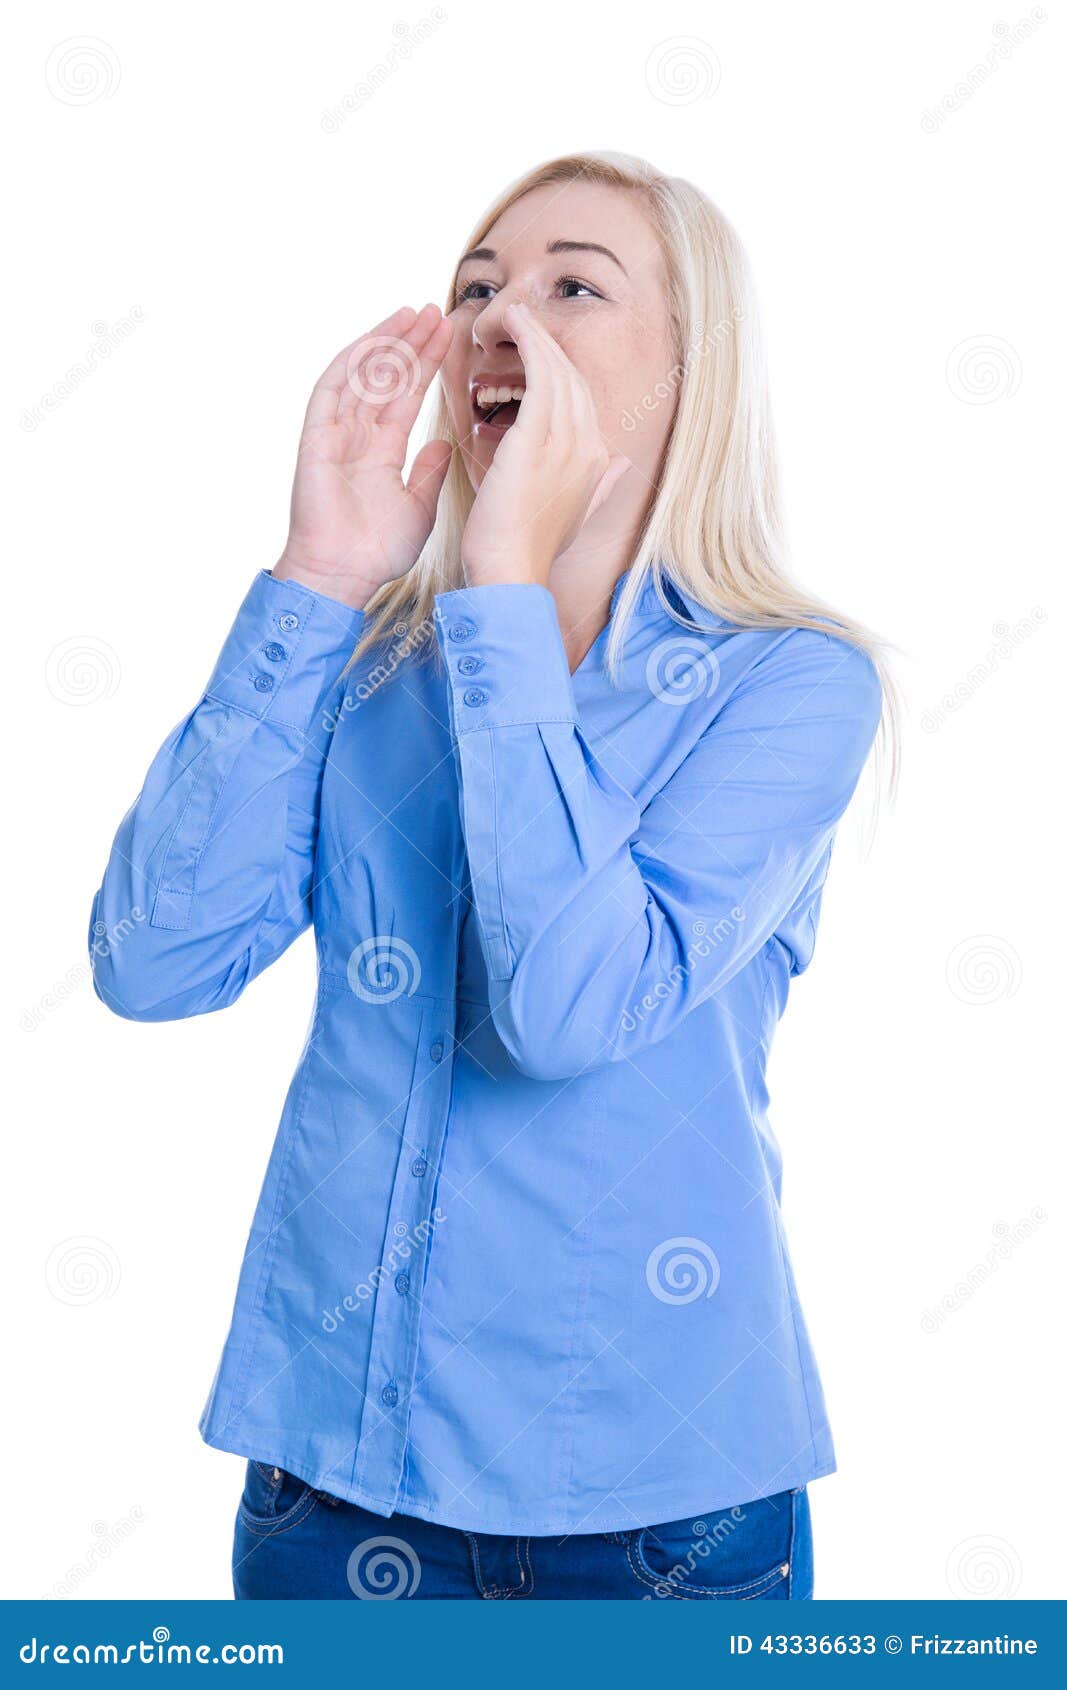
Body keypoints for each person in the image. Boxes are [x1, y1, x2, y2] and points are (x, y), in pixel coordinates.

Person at [89, 150, 895, 1600]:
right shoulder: (369, 666)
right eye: (476, 287)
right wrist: (321, 579)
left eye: (573, 285)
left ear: (689, 370)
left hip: (662, 1524)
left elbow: (567, 1012)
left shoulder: (792, 687)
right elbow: (153, 959)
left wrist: (504, 597)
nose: (498, 318)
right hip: (332, 1494)